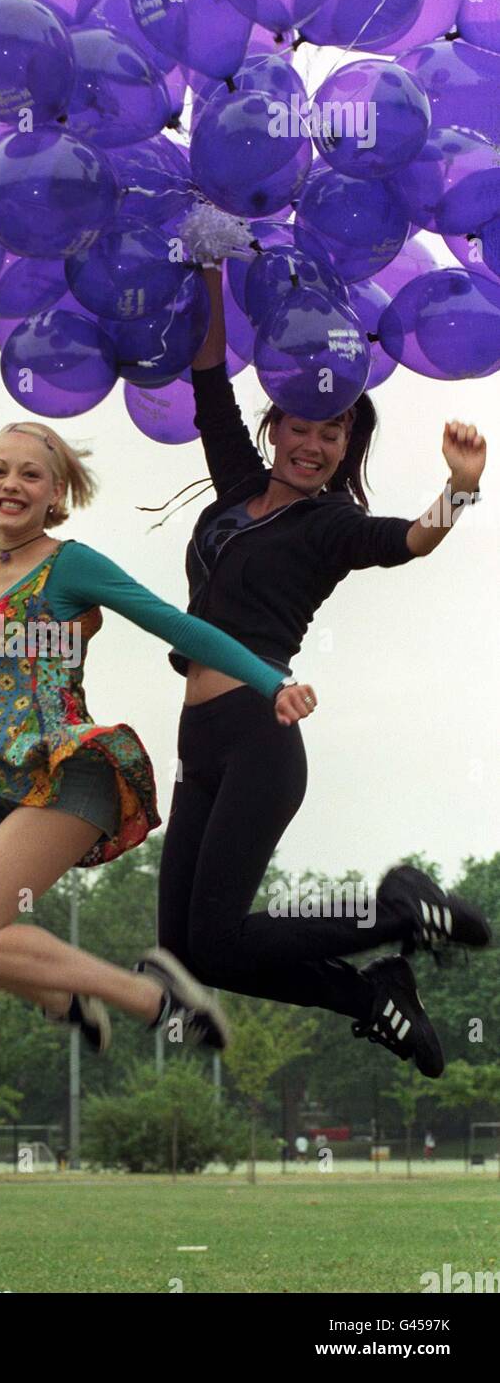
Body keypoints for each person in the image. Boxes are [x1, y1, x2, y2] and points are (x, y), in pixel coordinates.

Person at [0, 418, 317, 1048]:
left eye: (31, 475)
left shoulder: (70, 564)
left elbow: (178, 626)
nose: (11, 484)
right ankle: (61, 994)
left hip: (65, 774)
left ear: (56, 495)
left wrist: (270, 682)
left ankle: (152, 996)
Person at [156, 262, 491, 1081]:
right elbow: (207, 376)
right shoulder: (235, 487)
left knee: (222, 938)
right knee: (186, 953)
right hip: (197, 742)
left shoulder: (330, 524)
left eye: (333, 432)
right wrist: (209, 268)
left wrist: (459, 490)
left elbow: (406, 541)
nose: (313, 444)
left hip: (257, 739)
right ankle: (372, 994)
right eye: (302, 425)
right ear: (276, 424)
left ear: (348, 446)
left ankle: (393, 915)